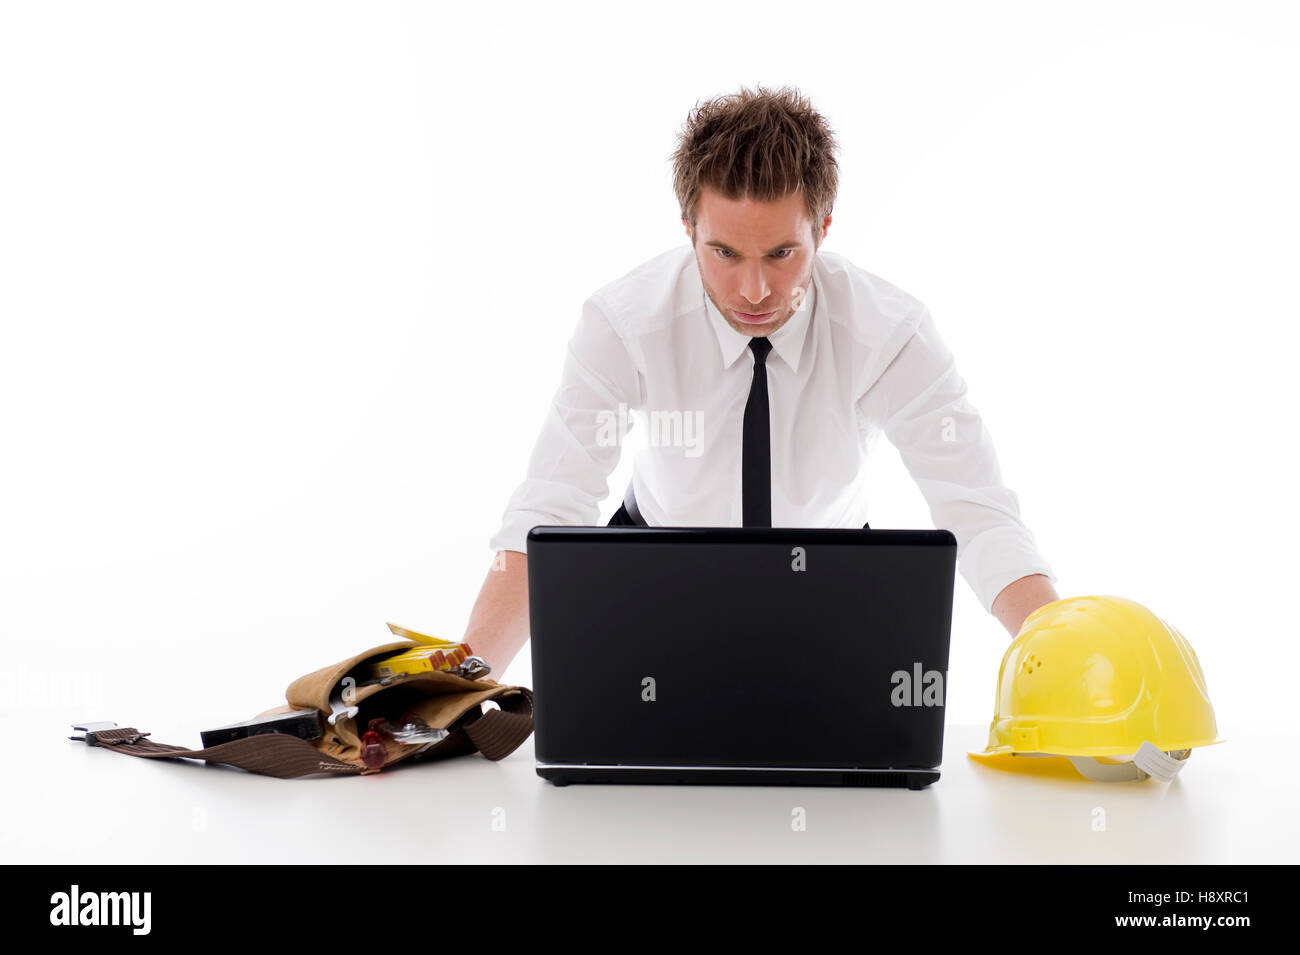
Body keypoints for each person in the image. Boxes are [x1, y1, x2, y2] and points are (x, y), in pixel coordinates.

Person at [464, 84, 1059, 676]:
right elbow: (550, 507)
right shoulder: (623, 324)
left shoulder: (891, 334)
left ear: (822, 230)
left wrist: (1063, 654)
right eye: (724, 253)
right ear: (688, 230)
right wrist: (460, 687)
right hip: (658, 579)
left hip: (831, 583)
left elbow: (977, 511)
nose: (753, 292)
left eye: (780, 254)